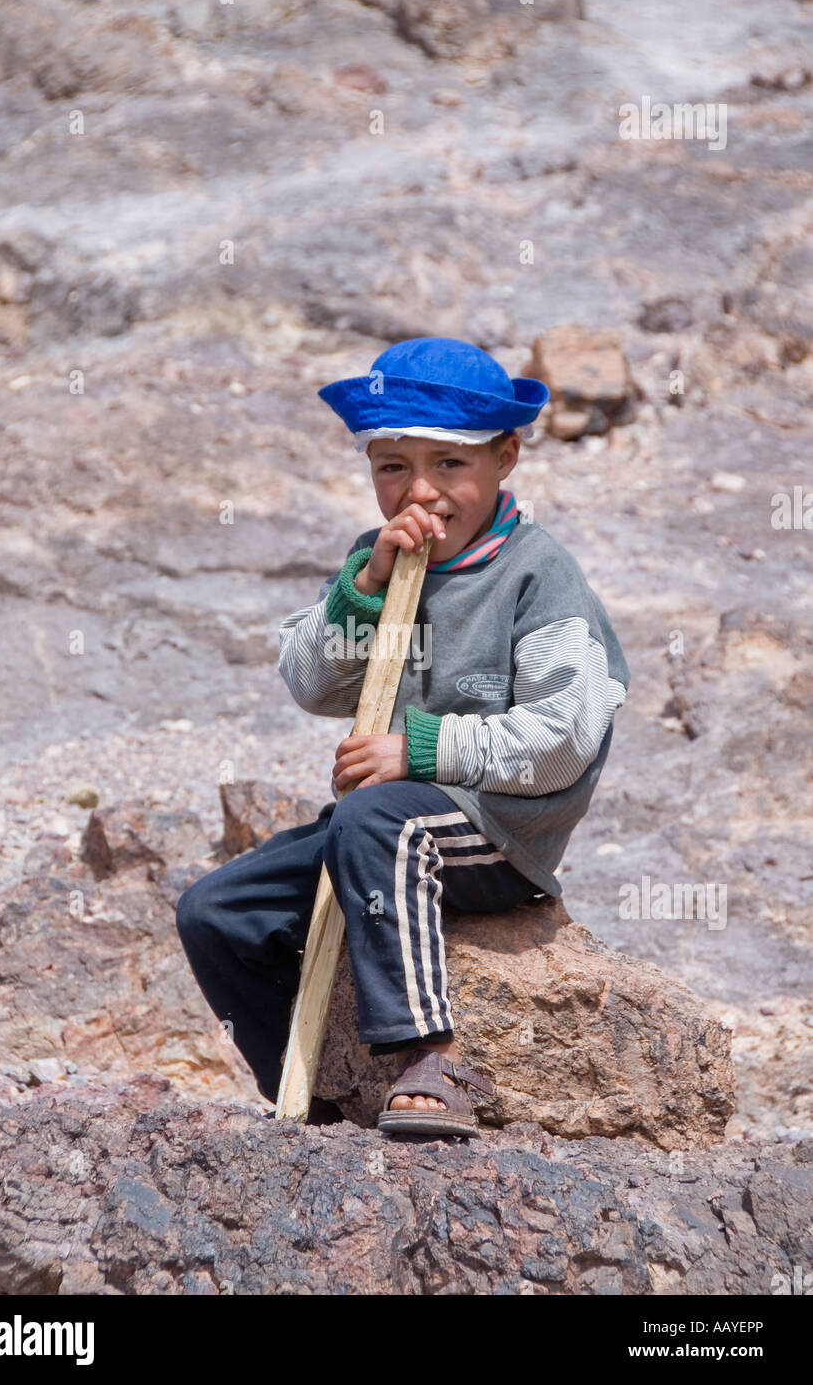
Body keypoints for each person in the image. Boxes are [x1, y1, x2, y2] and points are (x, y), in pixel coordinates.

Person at [176, 337, 631, 1138]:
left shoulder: (537, 576)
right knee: (217, 910)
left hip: (494, 829)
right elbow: (312, 685)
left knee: (372, 821)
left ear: (506, 457)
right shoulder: (376, 560)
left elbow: (563, 739)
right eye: (393, 466)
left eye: (450, 465)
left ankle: (426, 1058)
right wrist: (363, 592)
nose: (421, 491)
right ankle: (307, 1083)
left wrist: (420, 751)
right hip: (381, 824)